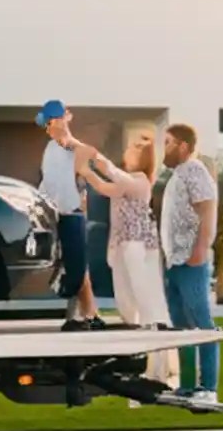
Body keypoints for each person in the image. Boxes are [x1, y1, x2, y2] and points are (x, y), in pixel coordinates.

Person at [72, 133, 170, 330]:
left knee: (140, 282)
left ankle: (152, 321)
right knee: (123, 288)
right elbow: (106, 184)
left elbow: (111, 178)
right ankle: (133, 322)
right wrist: (88, 165)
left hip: (138, 243)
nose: (126, 152)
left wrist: (93, 162)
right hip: (122, 243)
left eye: (132, 150)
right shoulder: (126, 181)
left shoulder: (140, 181)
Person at [158, 122, 221, 404]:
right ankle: (186, 386)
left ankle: (208, 387)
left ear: (183, 146)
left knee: (202, 322)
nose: (165, 147)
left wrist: (201, 249)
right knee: (181, 325)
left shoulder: (195, 171)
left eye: (169, 142)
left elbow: (207, 210)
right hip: (175, 261)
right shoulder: (178, 175)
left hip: (190, 260)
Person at [35, 100, 105, 331]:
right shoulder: (50, 149)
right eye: (47, 123)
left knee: (76, 267)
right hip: (57, 215)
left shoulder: (75, 148)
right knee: (75, 267)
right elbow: (47, 182)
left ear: (65, 117)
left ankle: (83, 316)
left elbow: (86, 168)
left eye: (52, 121)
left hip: (73, 214)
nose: (49, 126)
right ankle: (88, 315)